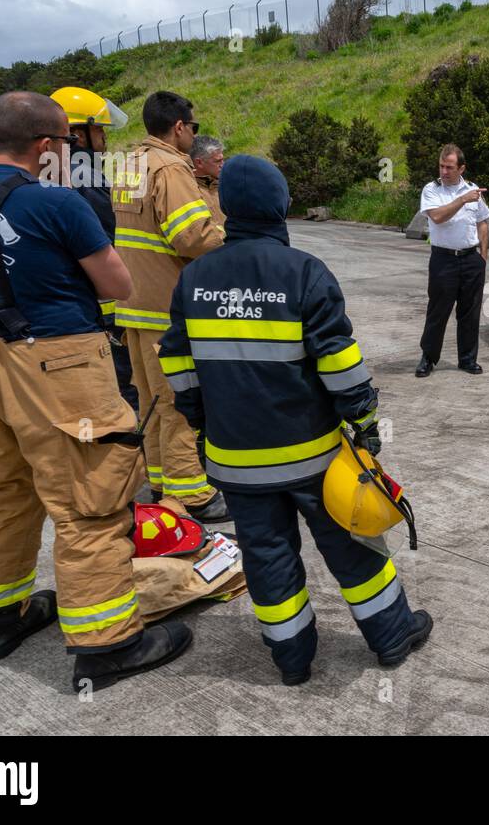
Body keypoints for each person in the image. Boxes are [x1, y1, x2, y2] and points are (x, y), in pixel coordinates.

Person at [0, 91, 191, 691]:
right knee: (91, 501)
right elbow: (119, 284)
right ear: (50, 145)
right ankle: (107, 644)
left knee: (0, 492)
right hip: (60, 364)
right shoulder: (57, 202)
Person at [158, 155, 432, 684]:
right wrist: (366, 419)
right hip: (311, 455)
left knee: (266, 558)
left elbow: (176, 361)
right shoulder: (304, 272)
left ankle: (292, 661)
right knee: (352, 546)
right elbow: (339, 362)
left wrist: (198, 419)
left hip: (235, 461)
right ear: (280, 206)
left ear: (228, 208)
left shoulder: (194, 279)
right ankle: (392, 636)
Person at [113, 91, 227, 520]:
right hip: (167, 307)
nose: (193, 134)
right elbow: (191, 237)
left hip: (134, 306)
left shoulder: (127, 165)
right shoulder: (170, 167)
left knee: (151, 401)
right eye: (192, 127)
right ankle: (193, 496)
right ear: (179, 127)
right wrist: (229, 237)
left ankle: (159, 481)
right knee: (180, 400)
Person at [50, 85, 138, 409]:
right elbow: (111, 240)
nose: (104, 137)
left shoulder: (50, 173)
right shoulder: (84, 179)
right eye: (99, 128)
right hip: (102, 308)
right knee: (124, 389)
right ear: (77, 135)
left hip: (67, 311)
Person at [415, 143, 489, 377]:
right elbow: (437, 217)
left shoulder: (472, 190)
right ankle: (428, 358)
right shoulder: (432, 190)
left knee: (469, 313)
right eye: (441, 166)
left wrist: (483, 259)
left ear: (461, 168)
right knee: (438, 311)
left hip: (470, 259)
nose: (444, 172)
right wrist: (462, 200)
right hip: (443, 260)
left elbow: (483, 223)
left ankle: (467, 359)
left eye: (449, 167)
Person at [191, 134, 226, 225]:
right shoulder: (189, 191)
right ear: (199, 163)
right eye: (217, 161)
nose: (223, 165)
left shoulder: (227, 184)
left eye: (223, 160)